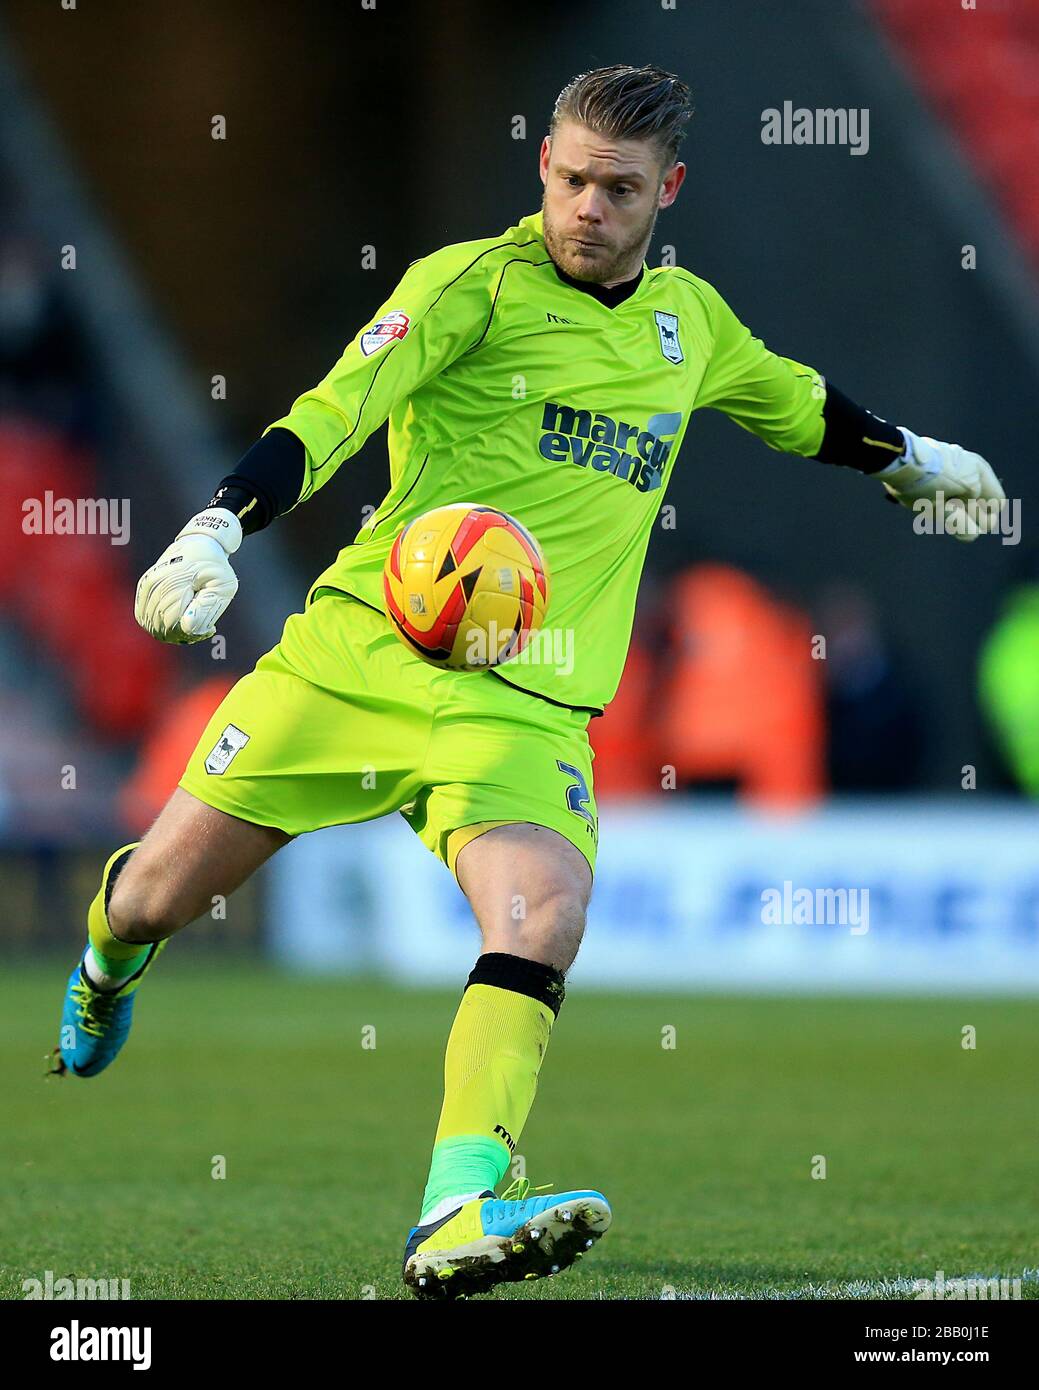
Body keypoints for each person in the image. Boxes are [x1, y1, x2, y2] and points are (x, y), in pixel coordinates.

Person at [51, 63, 1006, 1299]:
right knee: (154, 901)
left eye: (617, 188)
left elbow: (794, 404)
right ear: (539, 169)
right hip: (359, 659)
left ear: (669, 189)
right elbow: (333, 413)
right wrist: (220, 527)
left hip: (526, 699)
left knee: (543, 914)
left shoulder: (689, 326)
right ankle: (104, 967)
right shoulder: (465, 287)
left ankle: (455, 1208)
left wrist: (911, 461)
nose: (586, 208)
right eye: (568, 180)